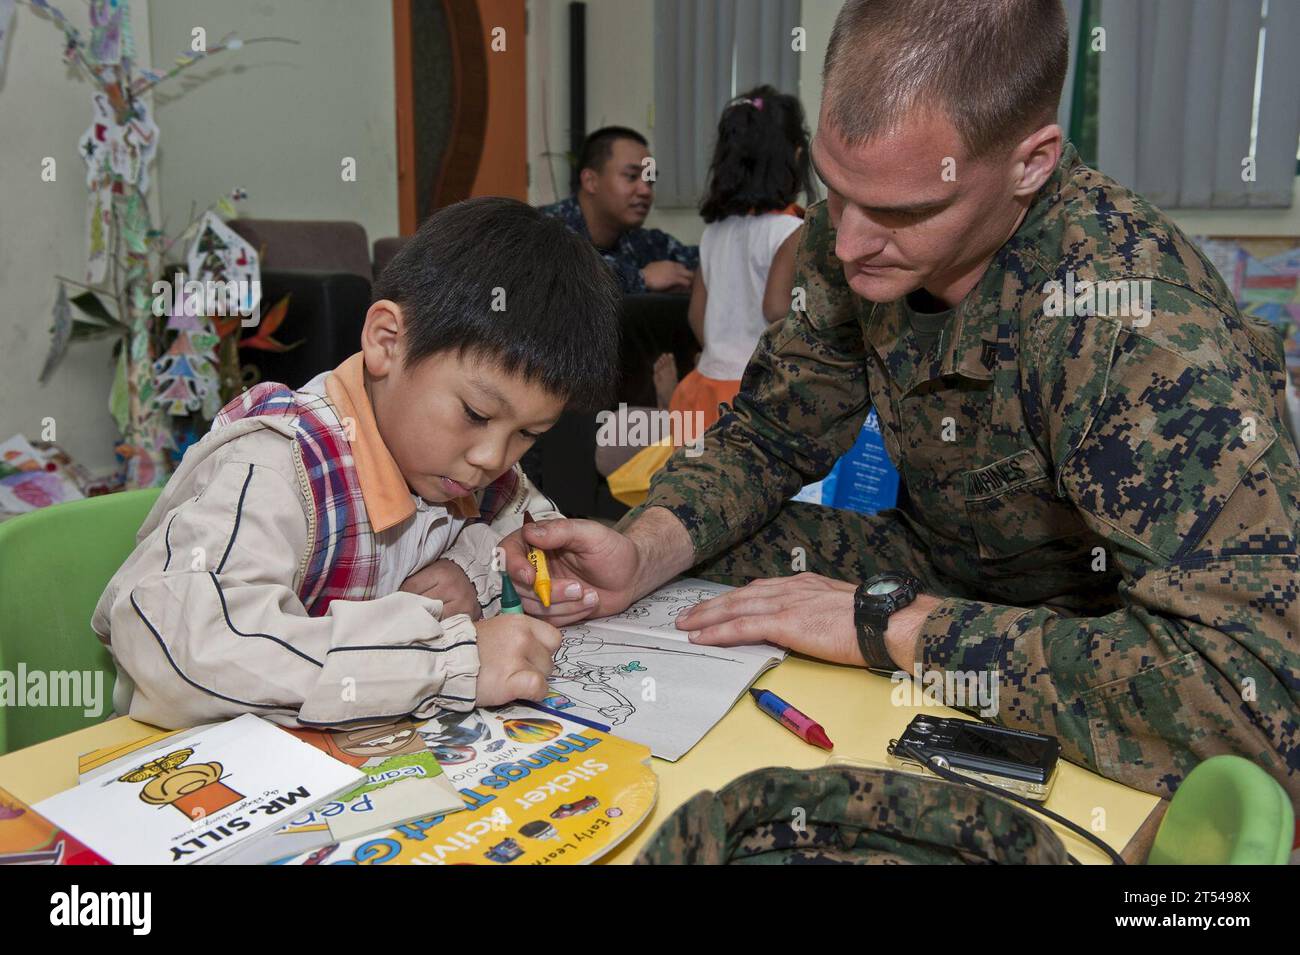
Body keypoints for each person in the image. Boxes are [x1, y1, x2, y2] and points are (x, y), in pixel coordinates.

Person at [504, 0, 1300, 803]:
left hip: (1094, 629)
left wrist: (895, 628)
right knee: (696, 558)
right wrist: (643, 549)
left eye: (903, 210)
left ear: (1031, 163)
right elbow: (772, 434)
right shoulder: (853, 229)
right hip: (947, 571)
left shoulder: (1134, 322)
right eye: (834, 188)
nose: (846, 244)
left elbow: (1257, 697)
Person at [92, 197, 621, 730]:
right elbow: (186, 650)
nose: (491, 458)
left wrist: (473, 571)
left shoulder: (465, 465)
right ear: (387, 341)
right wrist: (446, 663)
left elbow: (532, 537)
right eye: (475, 413)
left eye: (528, 434)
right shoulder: (278, 462)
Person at [539, 126, 699, 294]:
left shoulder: (643, 242)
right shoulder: (542, 230)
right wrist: (642, 278)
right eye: (631, 176)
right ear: (590, 181)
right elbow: (566, 280)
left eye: (650, 181)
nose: (645, 191)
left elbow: (709, 262)